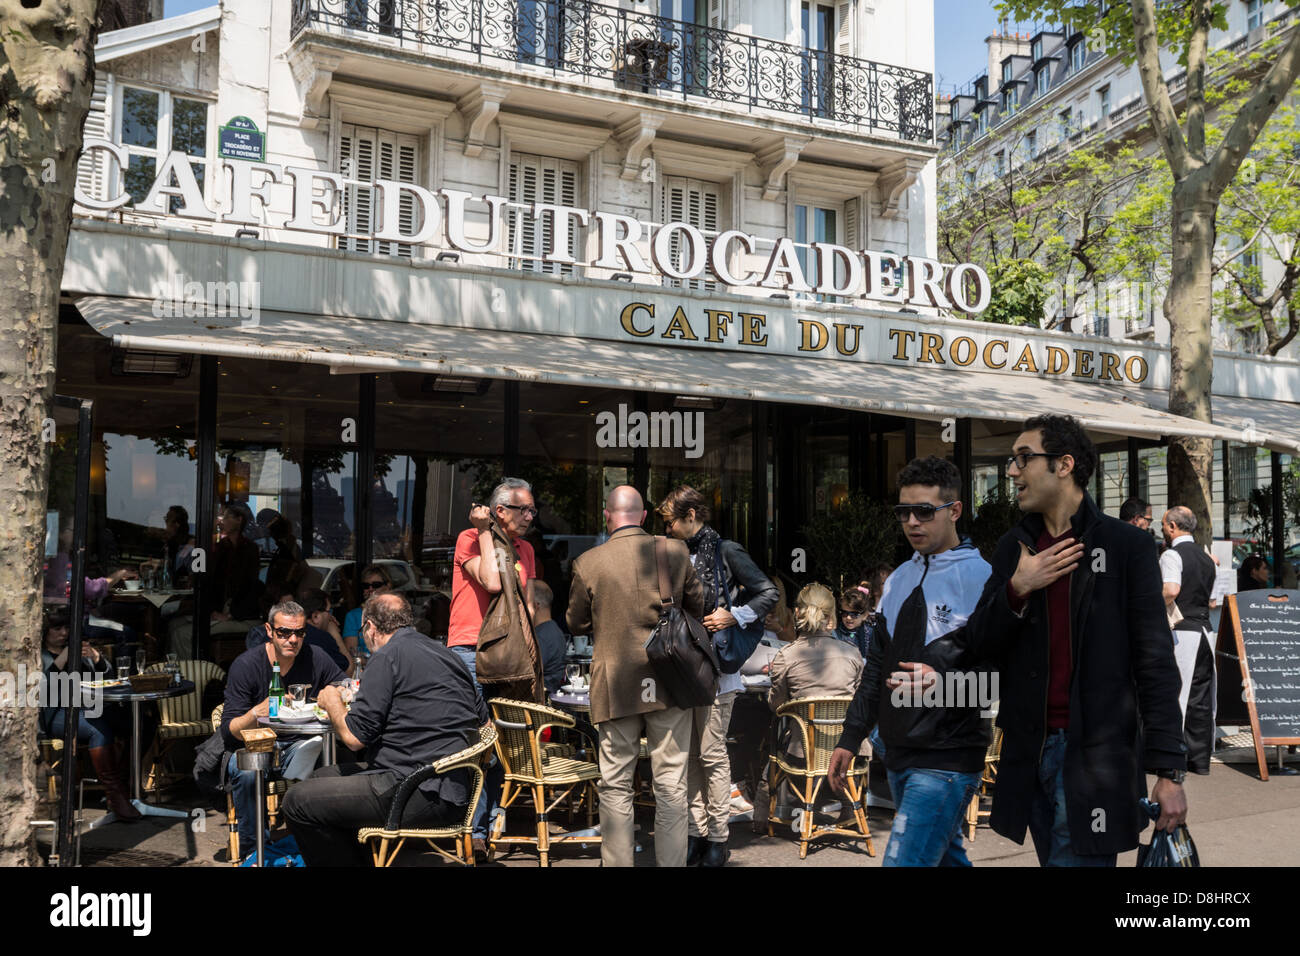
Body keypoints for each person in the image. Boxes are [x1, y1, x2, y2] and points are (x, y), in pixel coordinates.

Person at [961, 415, 1188, 866]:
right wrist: (1017, 588)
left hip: (1095, 759)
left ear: (1064, 465)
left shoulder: (1126, 547)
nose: (1012, 471)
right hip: (1030, 751)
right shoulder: (1015, 548)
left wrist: (1170, 771)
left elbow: (1155, 663)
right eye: (1012, 460)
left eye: (1024, 458)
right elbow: (979, 644)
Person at [827, 456, 993, 867]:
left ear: (954, 510)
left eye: (924, 511)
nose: (912, 522)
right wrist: (851, 737)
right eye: (904, 512)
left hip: (949, 759)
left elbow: (999, 681)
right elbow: (876, 673)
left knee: (905, 862)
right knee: (946, 860)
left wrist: (941, 684)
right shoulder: (899, 578)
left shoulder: (985, 578)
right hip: (898, 753)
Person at [284, 593, 488, 866]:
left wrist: (333, 701)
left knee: (296, 800)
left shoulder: (386, 656)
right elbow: (485, 724)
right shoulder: (449, 656)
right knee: (321, 776)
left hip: (414, 788)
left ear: (370, 628)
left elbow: (354, 738)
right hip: (455, 787)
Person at [567, 486, 706, 868]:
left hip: (616, 685)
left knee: (615, 786)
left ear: (607, 516)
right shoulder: (676, 552)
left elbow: (576, 622)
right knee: (671, 786)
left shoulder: (588, 562)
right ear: (644, 517)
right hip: (670, 682)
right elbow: (698, 606)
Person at [659, 485, 778, 868]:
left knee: (711, 754)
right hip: (683, 666)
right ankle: (696, 833)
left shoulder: (727, 550)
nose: (667, 528)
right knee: (691, 755)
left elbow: (768, 592)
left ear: (690, 515)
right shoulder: (673, 554)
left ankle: (718, 837)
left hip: (717, 667)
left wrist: (734, 615)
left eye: (670, 520)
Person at [448, 477, 538, 850]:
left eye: (534, 510)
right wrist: (486, 531)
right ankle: (473, 831)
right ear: (500, 510)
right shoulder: (470, 537)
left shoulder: (526, 550)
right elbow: (492, 580)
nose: (531, 516)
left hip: (512, 655)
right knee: (477, 742)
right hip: (471, 649)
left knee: (504, 743)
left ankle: (491, 823)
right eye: (524, 509)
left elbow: (529, 606)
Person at [221, 599, 344, 860]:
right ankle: (255, 853)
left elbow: (343, 684)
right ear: (269, 630)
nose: (292, 640)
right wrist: (256, 712)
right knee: (246, 770)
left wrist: (333, 693)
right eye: (284, 633)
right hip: (258, 744)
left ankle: (320, 845)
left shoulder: (314, 656)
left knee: (338, 760)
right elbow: (230, 730)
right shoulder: (247, 665)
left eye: (299, 632)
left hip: (302, 743)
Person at [39, 610, 141, 821]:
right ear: (45, 632)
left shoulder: (78, 653)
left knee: (135, 721)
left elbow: (105, 678)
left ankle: (124, 788)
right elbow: (42, 688)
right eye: (57, 629)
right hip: (53, 714)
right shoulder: (41, 655)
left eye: (67, 628)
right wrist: (65, 656)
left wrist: (96, 658)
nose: (64, 633)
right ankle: (115, 795)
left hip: (87, 707)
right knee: (98, 729)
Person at [769, 583, 866, 760]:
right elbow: (863, 700)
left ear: (797, 613)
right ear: (831, 617)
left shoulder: (787, 656)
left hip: (804, 752)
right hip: (851, 753)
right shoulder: (852, 653)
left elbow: (777, 705)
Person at [1160, 505, 1218, 775]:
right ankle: (1199, 760)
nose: (1162, 530)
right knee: (1201, 698)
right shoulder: (1208, 557)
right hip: (1206, 633)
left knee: (1177, 696)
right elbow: (1212, 600)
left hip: (1182, 632)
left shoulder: (1172, 554)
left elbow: (1171, 590)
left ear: (1173, 527)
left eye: (1163, 525)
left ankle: (1173, 761)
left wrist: (1145, 603)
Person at [244, 589, 351, 674]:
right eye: (329, 611)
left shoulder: (260, 637)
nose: (293, 639)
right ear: (315, 616)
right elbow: (349, 672)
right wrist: (334, 633)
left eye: (300, 632)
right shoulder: (323, 638)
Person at [207, 504, 263, 626]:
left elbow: (250, 582)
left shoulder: (250, 548)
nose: (223, 522)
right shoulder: (220, 547)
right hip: (219, 606)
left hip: (237, 610)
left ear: (239, 520)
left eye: (227, 517)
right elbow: (213, 580)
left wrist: (231, 614)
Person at [341, 564, 392, 660]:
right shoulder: (353, 616)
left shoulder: (396, 613)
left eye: (376, 585)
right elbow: (352, 655)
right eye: (366, 586)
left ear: (388, 586)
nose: (370, 589)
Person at [531, 580, 569, 698]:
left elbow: (527, 672)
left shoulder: (542, 636)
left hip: (540, 703)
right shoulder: (554, 629)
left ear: (535, 606)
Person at [833, 583, 874, 658]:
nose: (848, 617)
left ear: (865, 615)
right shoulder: (835, 633)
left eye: (854, 614)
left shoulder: (871, 634)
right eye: (844, 613)